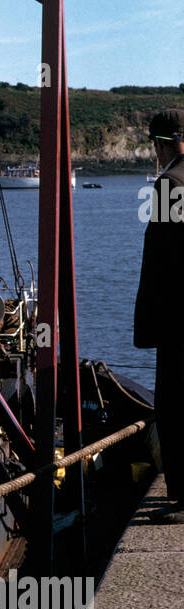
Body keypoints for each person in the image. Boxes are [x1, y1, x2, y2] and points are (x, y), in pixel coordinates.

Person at [134, 108, 184, 522]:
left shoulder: (170, 186)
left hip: (178, 319)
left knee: (174, 404)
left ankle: (182, 499)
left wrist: (149, 324)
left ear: (162, 145)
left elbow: (162, 263)